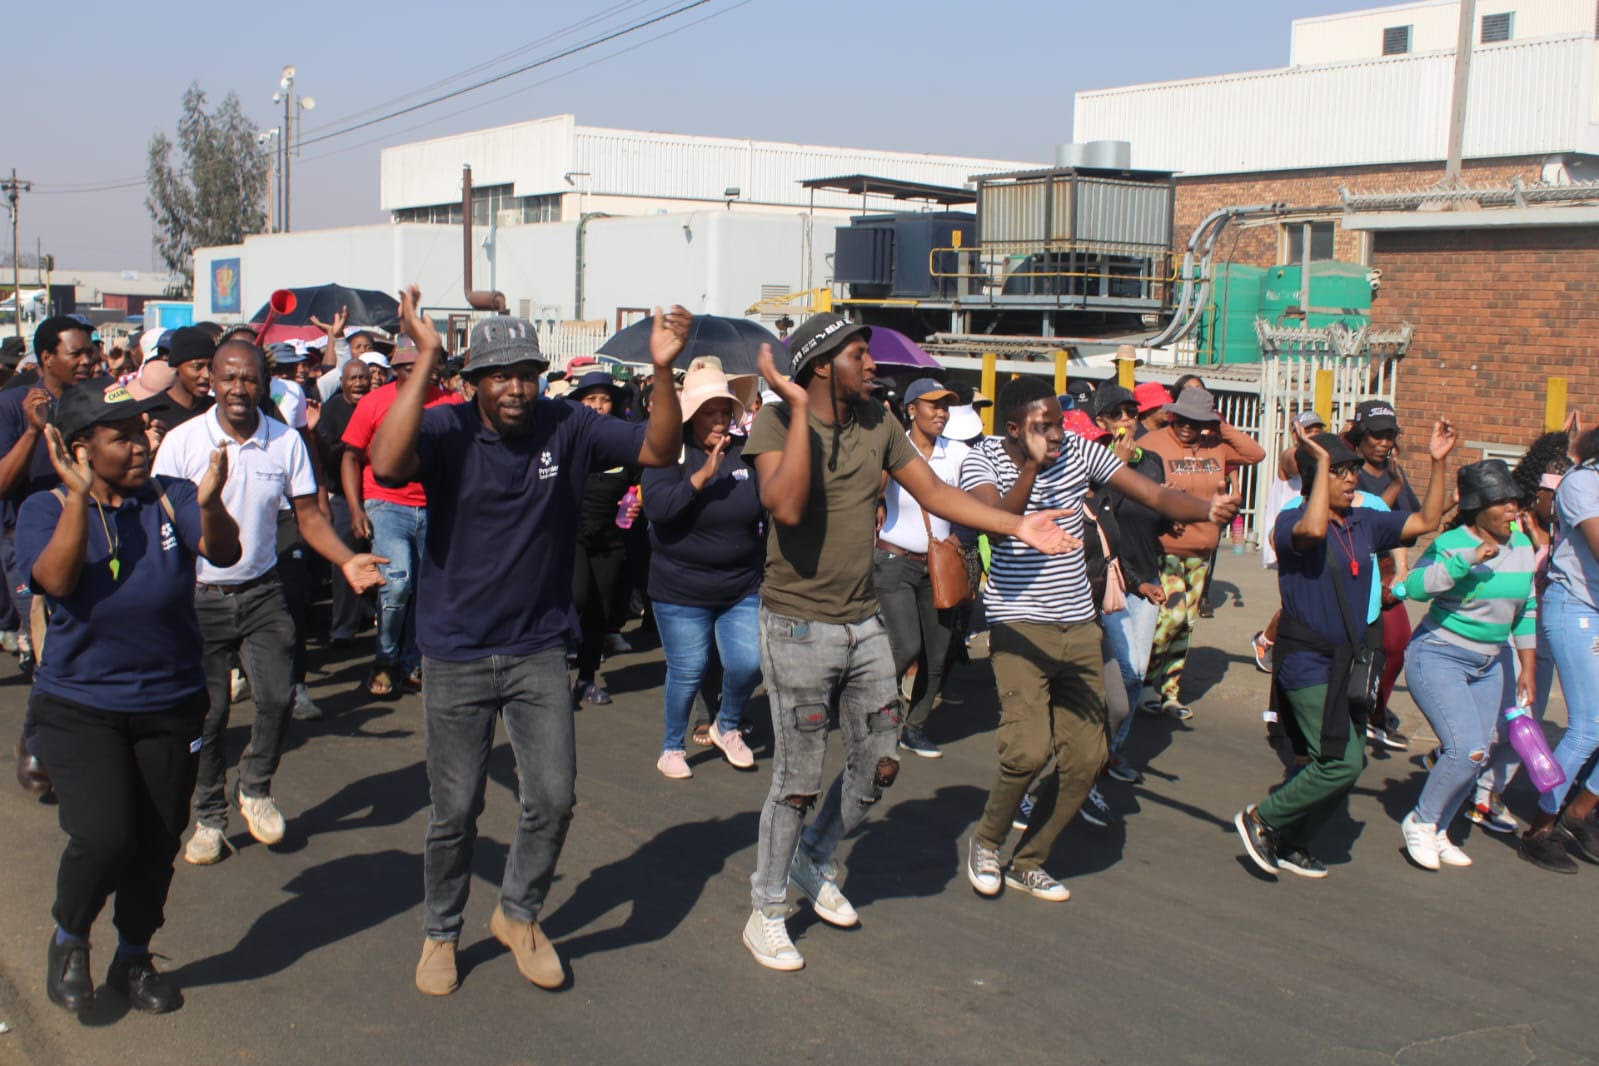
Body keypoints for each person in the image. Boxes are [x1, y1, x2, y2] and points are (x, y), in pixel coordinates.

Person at [368, 291, 690, 998]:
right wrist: (425, 357)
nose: (516, 387)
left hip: (539, 647)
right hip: (453, 650)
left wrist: (662, 371)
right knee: (454, 812)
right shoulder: (447, 430)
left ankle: (517, 915)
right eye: (500, 373)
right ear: (473, 379)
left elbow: (658, 449)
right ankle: (441, 933)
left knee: (553, 796)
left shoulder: (566, 424)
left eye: (527, 372)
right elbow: (386, 468)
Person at [738, 313, 1076, 971]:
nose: (872, 365)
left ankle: (814, 856)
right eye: (858, 355)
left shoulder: (879, 422)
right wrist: (802, 409)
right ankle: (766, 908)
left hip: (861, 618)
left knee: (880, 763)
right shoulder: (777, 423)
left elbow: (936, 492)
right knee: (798, 781)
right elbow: (782, 505)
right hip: (797, 623)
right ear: (818, 366)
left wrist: (1016, 524)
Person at [961, 376, 1238, 902]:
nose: (1059, 436)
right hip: (1019, 625)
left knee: (1087, 759)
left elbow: (1154, 494)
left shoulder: (1083, 451)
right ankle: (988, 841)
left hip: (1080, 625)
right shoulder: (985, 460)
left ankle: (1031, 860)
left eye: (1061, 425)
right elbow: (998, 526)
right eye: (1045, 428)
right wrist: (1033, 467)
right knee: (1025, 749)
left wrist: (1206, 510)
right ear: (1016, 429)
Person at [19, 378, 240, 1015]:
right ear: (82, 448)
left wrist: (214, 501)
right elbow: (57, 583)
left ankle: (134, 957)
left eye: (147, 430)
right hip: (80, 705)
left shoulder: (171, 498)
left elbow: (223, 550)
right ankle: (69, 937)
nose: (145, 443)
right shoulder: (46, 506)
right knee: (104, 834)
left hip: (170, 704)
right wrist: (79, 502)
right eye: (125, 436)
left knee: (157, 837)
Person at [152, 338, 387, 866]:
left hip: (262, 591)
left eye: (249, 379)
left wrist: (347, 560)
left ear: (266, 383)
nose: (238, 389)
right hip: (199, 598)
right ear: (211, 380)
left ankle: (255, 786)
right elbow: (161, 527)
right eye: (228, 378)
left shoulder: (285, 442)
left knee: (278, 699)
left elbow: (309, 518)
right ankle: (210, 818)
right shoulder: (182, 443)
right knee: (209, 718)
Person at [1234, 420, 1455, 879]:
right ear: (1317, 477)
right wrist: (1316, 468)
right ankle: (1262, 818)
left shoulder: (1364, 519)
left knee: (1345, 766)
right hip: (1306, 661)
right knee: (1341, 761)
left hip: (1350, 661)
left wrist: (1437, 462)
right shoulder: (1291, 519)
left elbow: (1427, 522)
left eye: (1354, 469)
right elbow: (1313, 532)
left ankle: (1292, 841)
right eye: (1340, 470)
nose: (1352, 478)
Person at [1392, 460, 1535, 870]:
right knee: (1465, 749)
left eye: (1515, 501)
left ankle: (1439, 830)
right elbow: (1416, 588)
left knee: (1479, 752)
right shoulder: (1455, 542)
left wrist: (1528, 667)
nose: (1513, 509)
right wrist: (1466, 560)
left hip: (1491, 662)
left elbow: (1526, 608)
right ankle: (1419, 822)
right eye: (1502, 502)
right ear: (1478, 507)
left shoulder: (1522, 546)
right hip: (1439, 655)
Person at [642, 361, 762, 779]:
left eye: (725, 411)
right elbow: (657, 509)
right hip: (680, 588)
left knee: (748, 663)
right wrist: (700, 478)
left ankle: (727, 726)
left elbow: (768, 504)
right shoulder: (667, 452)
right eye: (710, 412)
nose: (719, 421)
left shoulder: (747, 451)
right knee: (688, 669)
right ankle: (671, 747)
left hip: (741, 584)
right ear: (690, 415)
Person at [2, 316, 93, 792]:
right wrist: (34, 433)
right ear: (46, 359)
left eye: (88, 352)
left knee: (81, 640)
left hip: (91, 536)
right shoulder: (12, 406)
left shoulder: (97, 400)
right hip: (29, 540)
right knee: (51, 647)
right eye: (75, 353)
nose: (86, 361)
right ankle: (37, 743)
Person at [341, 340, 460, 697]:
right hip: (386, 503)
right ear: (397, 372)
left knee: (427, 590)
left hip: (436, 506)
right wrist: (355, 508)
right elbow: (350, 457)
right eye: (413, 368)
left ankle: (412, 662)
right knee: (398, 583)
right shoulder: (374, 403)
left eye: (432, 366)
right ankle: (385, 659)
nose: (426, 373)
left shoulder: (450, 403)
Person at [1137, 386, 1264, 719]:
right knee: (1171, 616)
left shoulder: (1216, 445)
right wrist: (1161, 506)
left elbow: (1256, 454)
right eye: (1183, 419)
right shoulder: (1151, 445)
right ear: (1172, 415)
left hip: (1202, 553)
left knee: (1186, 625)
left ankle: (1169, 694)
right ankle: (1142, 682)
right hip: (1164, 548)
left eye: (1197, 422)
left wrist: (1221, 427)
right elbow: (1132, 487)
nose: (1188, 428)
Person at [873, 377, 970, 760]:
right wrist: (887, 443)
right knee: (906, 645)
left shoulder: (959, 454)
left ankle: (913, 727)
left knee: (938, 651)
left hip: (939, 567)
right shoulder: (896, 447)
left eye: (946, 406)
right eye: (934, 405)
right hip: (894, 561)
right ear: (911, 410)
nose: (942, 413)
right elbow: (873, 489)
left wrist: (961, 537)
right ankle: (875, 711)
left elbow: (971, 498)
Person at [1517, 426, 1599, 873]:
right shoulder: (1585, 481)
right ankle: (1539, 829)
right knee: (1589, 726)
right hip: (1579, 609)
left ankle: (1578, 813)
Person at [1091, 383, 1168, 782]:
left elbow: (1158, 518)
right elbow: (1100, 516)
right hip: (1113, 579)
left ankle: (1111, 750)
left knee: (1137, 672)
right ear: (1101, 421)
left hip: (1147, 574)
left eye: (1131, 412)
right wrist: (1114, 470)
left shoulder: (1153, 461)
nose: (1127, 419)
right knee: (1128, 670)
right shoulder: (1096, 462)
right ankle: (1097, 747)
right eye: (1117, 413)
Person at [1346, 399, 1419, 751]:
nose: (1383, 442)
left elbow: (1408, 524)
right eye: (1376, 434)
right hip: (1355, 569)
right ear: (1360, 434)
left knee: (1397, 645)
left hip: (1391, 572)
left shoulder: (1395, 473)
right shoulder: (1349, 471)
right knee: (1352, 646)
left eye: (1389, 434)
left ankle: (1376, 712)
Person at [566, 369, 639, 706]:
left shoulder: (623, 443)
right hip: (571, 535)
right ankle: (553, 674)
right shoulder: (566, 439)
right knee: (577, 598)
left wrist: (638, 500)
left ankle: (586, 679)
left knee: (600, 607)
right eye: (590, 399)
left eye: (604, 399)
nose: (598, 406)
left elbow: (643, 481)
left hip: (611, 536)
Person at [316, 358, 374, 646]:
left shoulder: (377, 405)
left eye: (363, 378)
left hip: (377, 493)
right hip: (340, 495)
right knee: (344, 559)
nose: (359, 384)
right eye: (352, 379)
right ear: (342, 383)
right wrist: (352, 445)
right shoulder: (331, 410)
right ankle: (343, 628)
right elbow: (324, 454)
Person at [160, 327, 216, 429]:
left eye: (211, 367)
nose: (207, 375)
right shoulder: (153, 413)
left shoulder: (218, 410)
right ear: (176, 366)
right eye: (197, 367)